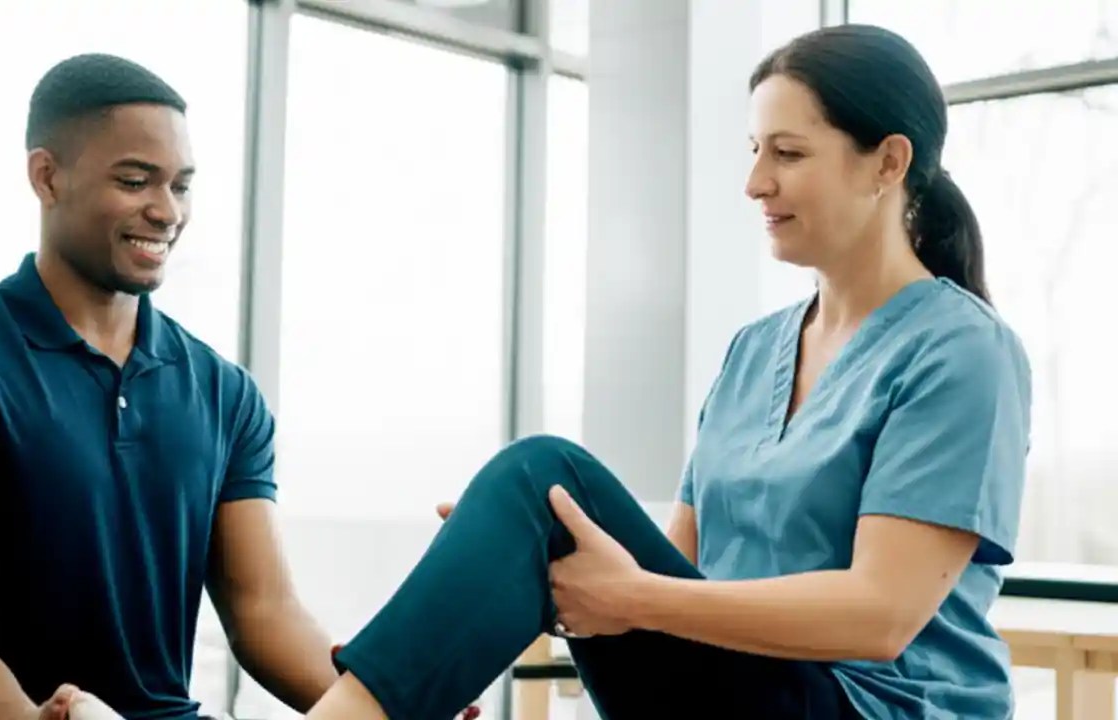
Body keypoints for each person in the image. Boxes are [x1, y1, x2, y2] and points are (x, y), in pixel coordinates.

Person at [304, 24, 1032, 720]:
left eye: (787, 153)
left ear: (888, 162)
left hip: (867, 705)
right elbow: (670, 572)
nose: (754, 182)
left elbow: (879, 617)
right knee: (544, 508)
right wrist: (511, 566)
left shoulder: (960, 350)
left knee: (541, 477)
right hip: (738, 685)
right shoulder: (754, 351)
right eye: (754, 150)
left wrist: (625, 596)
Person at [0, 54, 344, 720]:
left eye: (181, 186)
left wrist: (390, 702)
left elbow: (265, 611)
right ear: (47, 177)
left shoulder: (225, 394)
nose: (166, 211)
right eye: (137, 180)